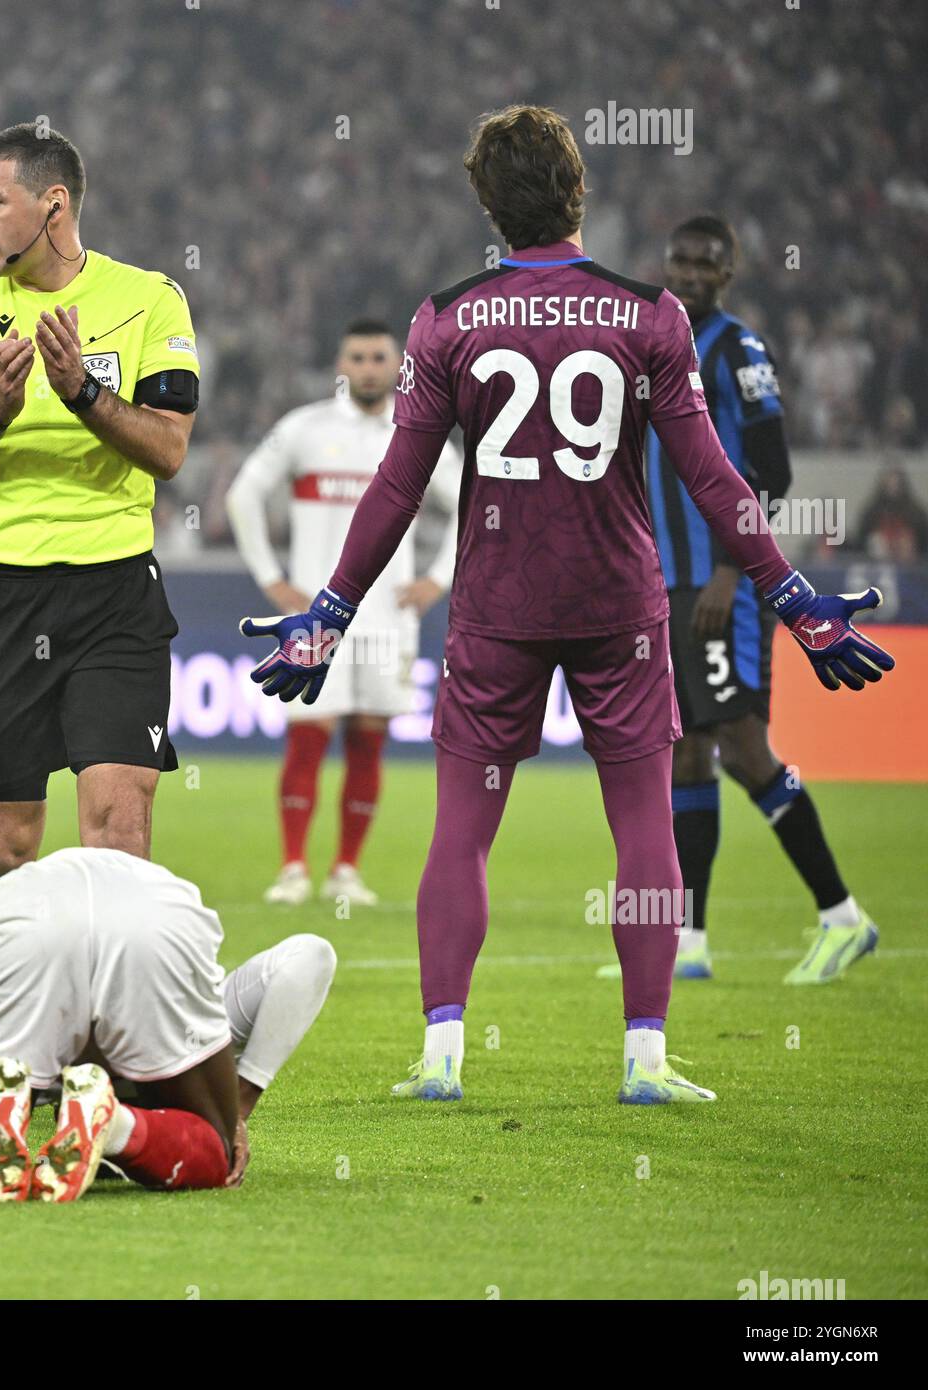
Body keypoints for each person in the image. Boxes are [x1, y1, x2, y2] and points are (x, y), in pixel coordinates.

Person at [241, 105, 894, 1106]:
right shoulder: (649, 316)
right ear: (576, 190)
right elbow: (719, 481)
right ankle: (643, 1058)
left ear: (486, 206)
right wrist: (793, 598)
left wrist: (329, 606)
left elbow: (396, 488)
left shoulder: (446, 318)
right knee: (641, 819)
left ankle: (443, 1055)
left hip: (495, 607)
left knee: (462, 824)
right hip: (619, 604)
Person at [0, 122, 200, 889]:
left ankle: (108, 1012)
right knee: (4, 849)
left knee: (118, 834)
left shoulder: (150, 300)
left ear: (53, 205)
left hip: (116, 595)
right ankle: (12, 1006)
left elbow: (168, 452)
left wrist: (84, 394)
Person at [601, 214, 880, 986]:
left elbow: (773, 471)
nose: (690, 273)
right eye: (680, 259)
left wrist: (729, 568)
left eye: (706, 264)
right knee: (687, 751)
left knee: (744, 749)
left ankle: (842, 917)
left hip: (724, 587)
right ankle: (688, 941)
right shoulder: (651, 343)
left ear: (729, 272)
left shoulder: (737, 348)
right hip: (668, 586)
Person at [0, 848, 336, 1199]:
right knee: (216, 1156)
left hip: (31, 917)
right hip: (156, 920)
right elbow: (311, 956)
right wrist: (238, 1105)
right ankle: (116, 1124)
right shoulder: (199, 1009)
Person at [226, 318, 461, 906]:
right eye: (357, 357)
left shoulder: (420, 432)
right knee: (309, 733)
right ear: (340, 364)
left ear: (397, 366)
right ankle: (293, 867)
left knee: (369, 738)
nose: (368, 368)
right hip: (315, 615)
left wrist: (437, 578)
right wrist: (273, 580)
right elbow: (242, 495)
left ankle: (346, 871)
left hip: (386, 617)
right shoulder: (304, 429)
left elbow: (473, 504)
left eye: (379, 357)